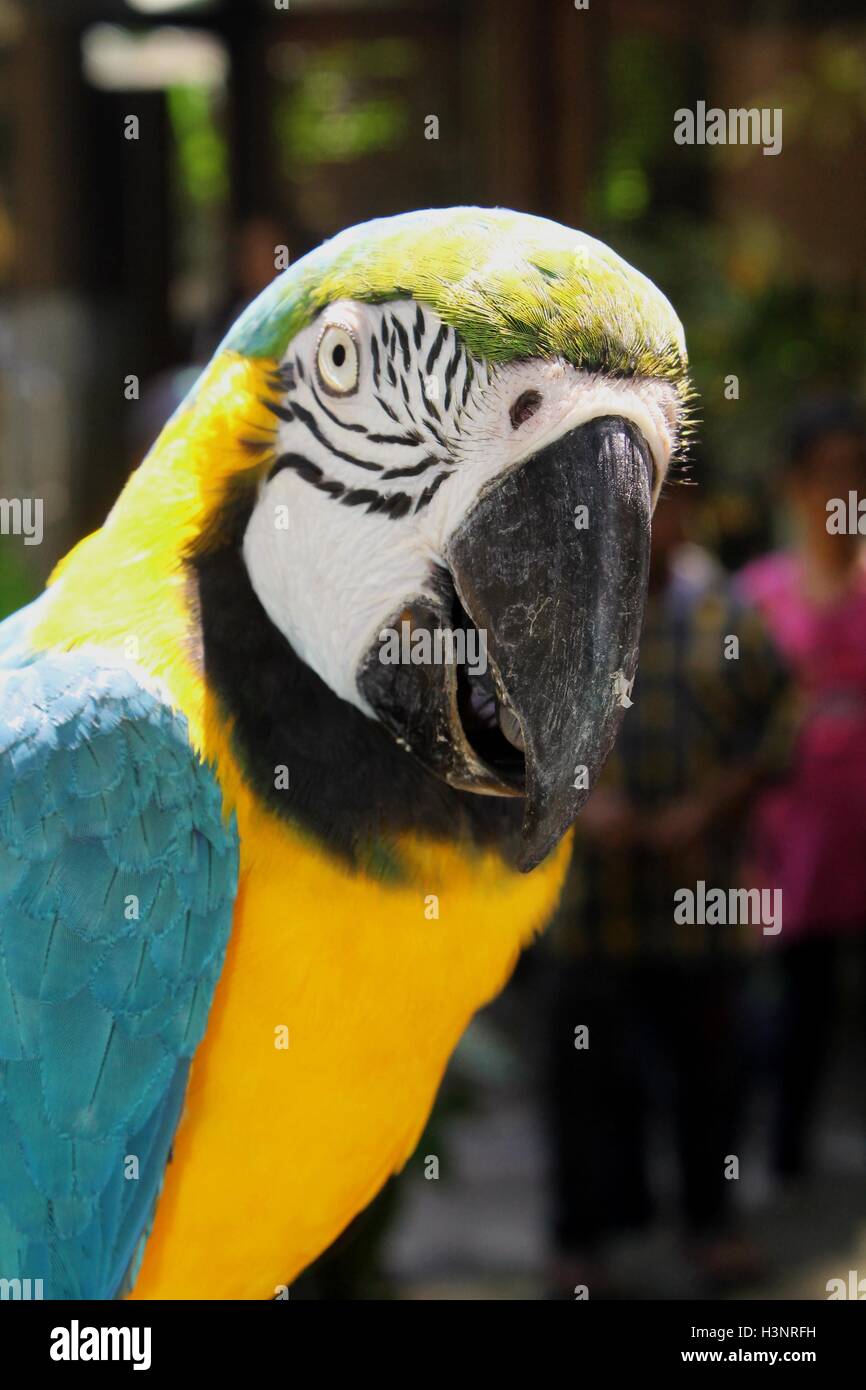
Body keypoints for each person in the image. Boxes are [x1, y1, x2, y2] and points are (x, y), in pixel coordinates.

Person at [542, 485, 792, 1297]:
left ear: (690, 508)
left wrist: (710, 807)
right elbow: (502, 731)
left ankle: (712, 1228)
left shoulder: (727, 615)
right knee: (582, 1079)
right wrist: (577, 796)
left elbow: (782, 720)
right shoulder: (560, 611)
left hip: (701, 905)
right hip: (588, 906)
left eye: (666, 501)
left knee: (710, 1071)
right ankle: (579, 1241)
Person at [739, 398, 866, 1182]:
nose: (843, 487)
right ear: (792, 484)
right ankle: (784, 1155)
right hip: (789, 858)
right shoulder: (755, 601)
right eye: (827, 472)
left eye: (857, 470)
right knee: (793, 1007)